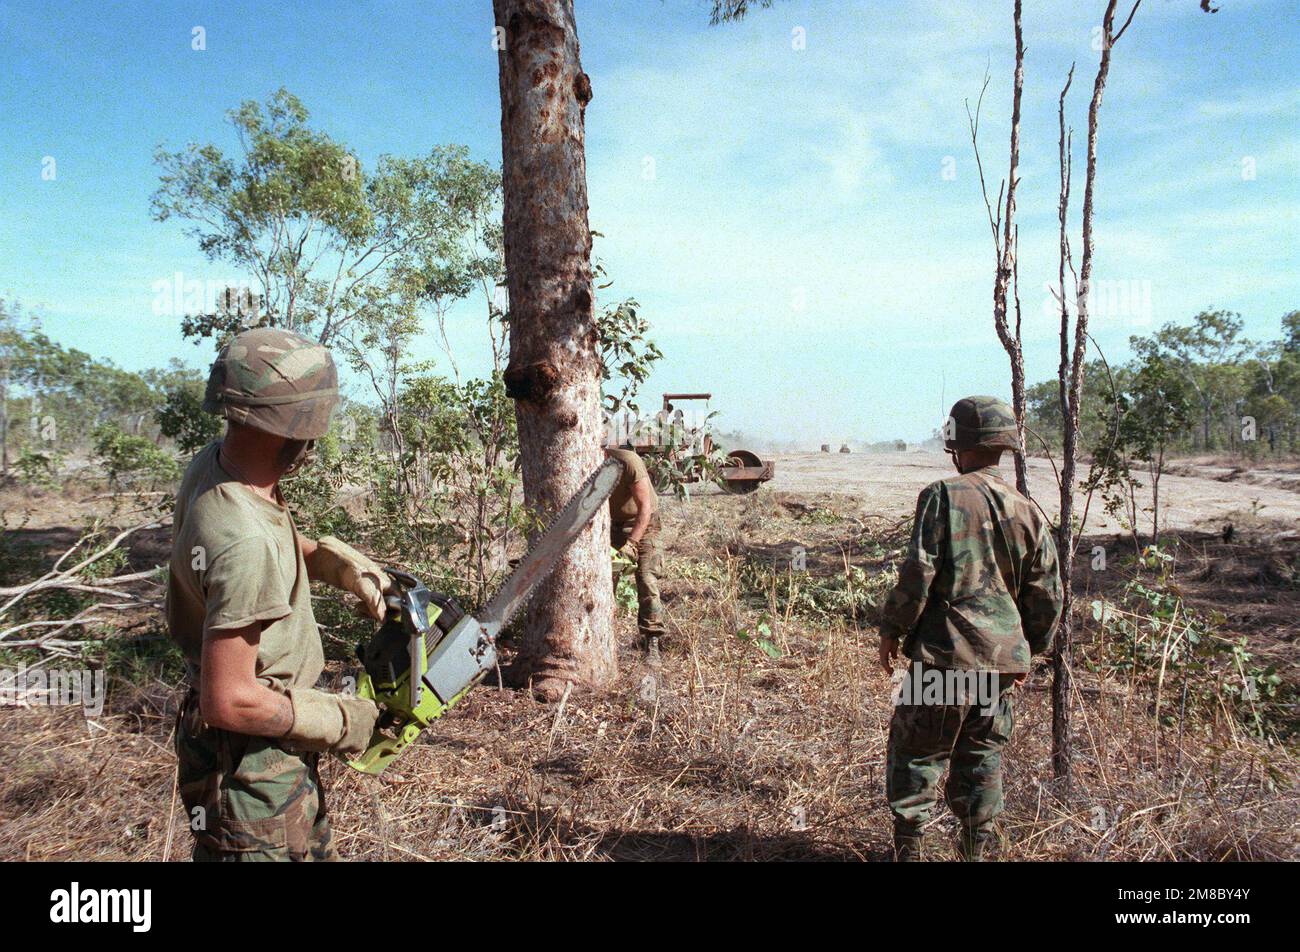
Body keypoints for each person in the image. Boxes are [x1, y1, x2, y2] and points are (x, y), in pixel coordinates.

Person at [166, 327, 389, 861]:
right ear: (301, 427)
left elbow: (269, 543)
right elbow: (229, 699)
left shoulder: (220, 465)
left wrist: (334, 564)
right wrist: (340, 720)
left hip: (264, 744)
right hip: (248, 759)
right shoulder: (243, 541)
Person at [878, 396, 1063, 861]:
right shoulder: (1028, 510)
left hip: (943, 659)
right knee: (980, 761)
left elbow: (918, 573)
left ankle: (909, 853)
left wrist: (892, 628)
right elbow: (1047, 595)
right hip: (998, 667)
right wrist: (1027, 651)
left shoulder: (942, 495)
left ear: (957, 445)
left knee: (917, 758)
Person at [603, 445, 666, 651]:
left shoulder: (628, 461)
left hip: (645, 525)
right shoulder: (584, 467)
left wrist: (631, 543)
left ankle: (652, 641)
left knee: (646, 579)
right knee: (604, 581)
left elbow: (645, 508)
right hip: (612, 526)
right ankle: (603, 639)